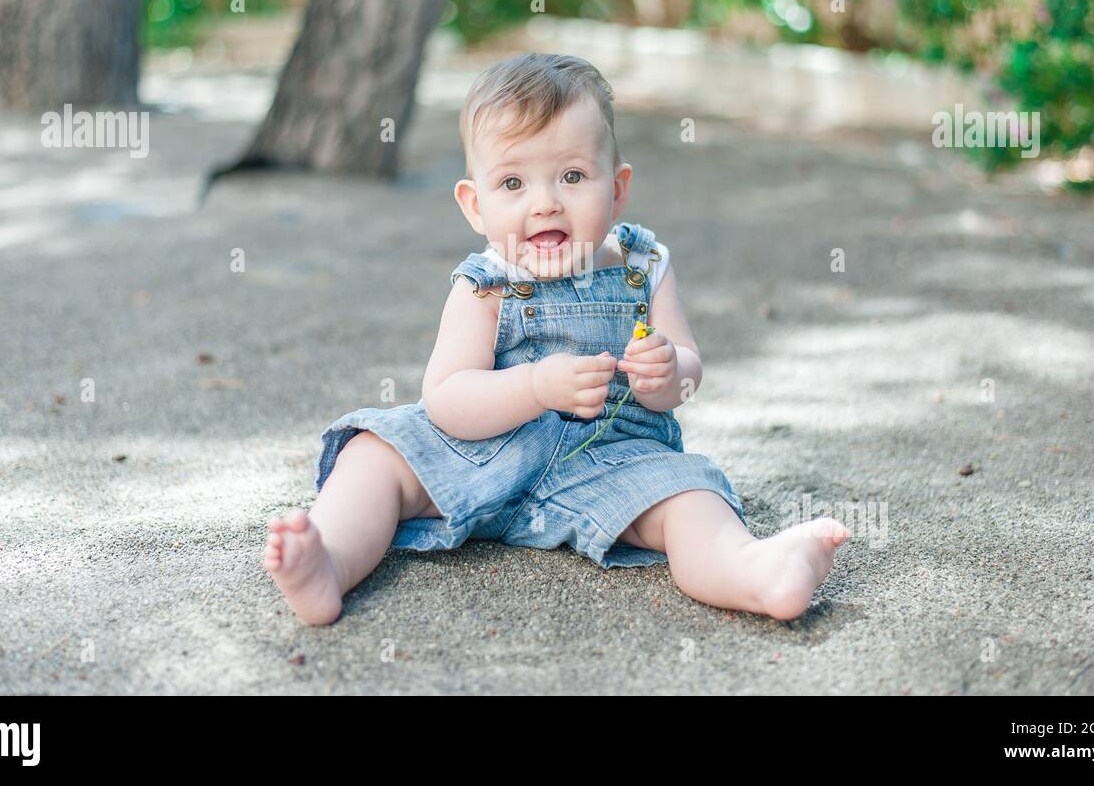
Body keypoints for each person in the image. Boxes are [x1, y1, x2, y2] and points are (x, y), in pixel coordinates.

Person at [264, 52, 848, 625]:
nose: (545, 201)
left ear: (617, 190)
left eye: (572, 175)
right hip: (482, 452)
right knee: (375, 455)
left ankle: (757, 570)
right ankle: (329, 560)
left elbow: (688, 371)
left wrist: (670, 373)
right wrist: (536, 385)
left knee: (691, 498)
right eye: (513, 182)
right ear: (475, 204)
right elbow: (445, 399)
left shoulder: (643, 266)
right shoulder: (486, 285)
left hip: (613, 459)